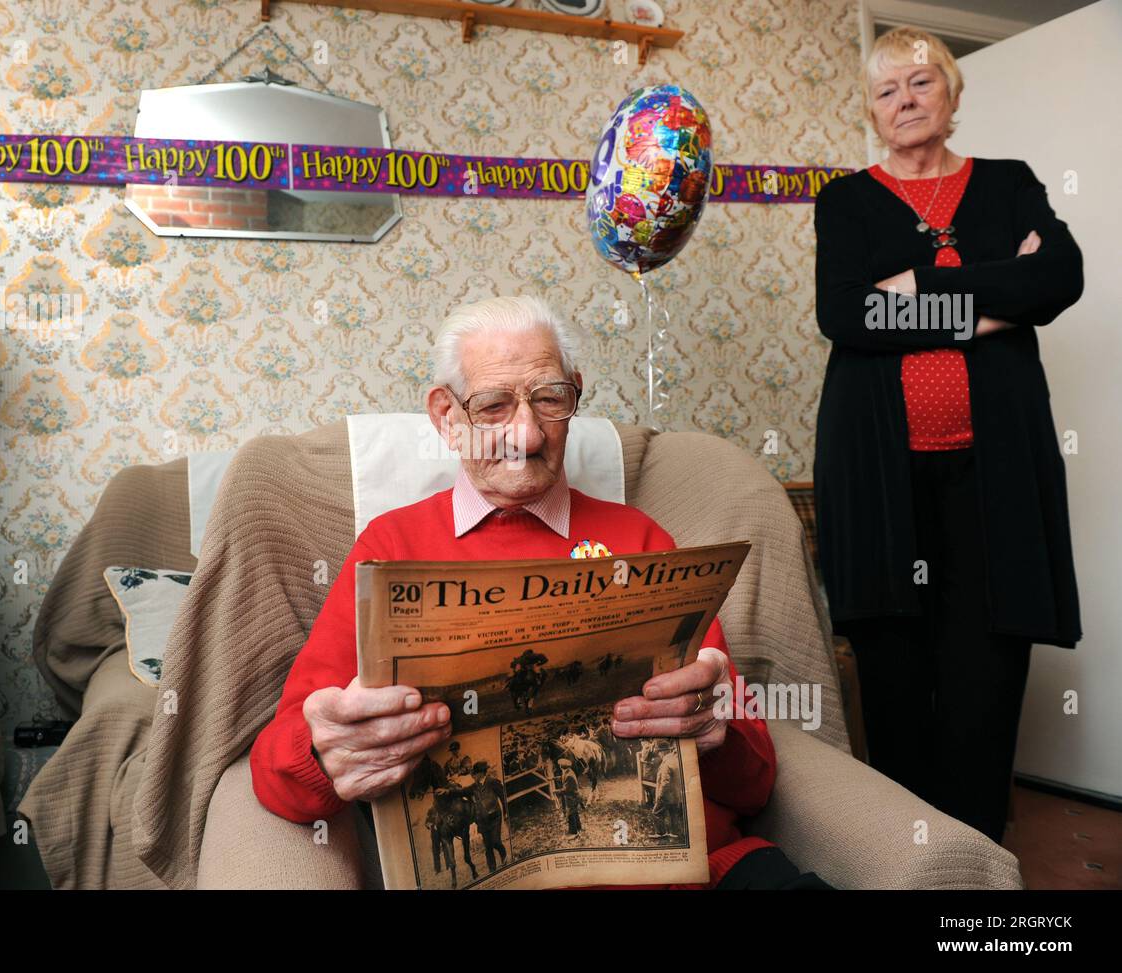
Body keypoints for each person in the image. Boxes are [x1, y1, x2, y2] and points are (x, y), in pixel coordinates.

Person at [251, 295, 825, 888]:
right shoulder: (391, 546)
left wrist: (715, 727)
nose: (525, 435)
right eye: (494, 405)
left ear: (574, 397)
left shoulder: (640, 538)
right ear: (447, 416)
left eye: (549, 399)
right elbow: (277, 779)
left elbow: (754, 784)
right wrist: (325, 755)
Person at [813, 26, 1083, 844]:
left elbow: (1060, 276)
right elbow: (847, 314)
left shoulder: (1007, 186)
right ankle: (909, 857)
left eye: (921, 84)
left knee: (987, 664)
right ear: (870, 109)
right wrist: (994, 307)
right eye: (887, 90)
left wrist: (925, 286)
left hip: (991, 474)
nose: (905, 101)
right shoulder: (847, 202)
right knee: (894, 665)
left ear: (952, 97)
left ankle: (976, 855)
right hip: (881, 477)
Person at [462, 761, 509, 871]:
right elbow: (461, 791)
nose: (473, 776)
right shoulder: (474, 787)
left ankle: (503, 854)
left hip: (495, 817)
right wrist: (448, 792)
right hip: (482, 820)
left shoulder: (492, 782)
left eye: (475, 773)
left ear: (482, 773)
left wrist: (506, 812)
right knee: (488, 846)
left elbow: (503, 797)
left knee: (495, 841)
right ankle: (492, 869)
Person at [557, 759, 583, 838]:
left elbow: (566, 789)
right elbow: (562, 777)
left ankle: (573, 833)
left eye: (560, 765)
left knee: (570, 814)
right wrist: (554, 778)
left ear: (562, 766)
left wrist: (557, 791)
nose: (559, 766)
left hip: (572, 797)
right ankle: (578, 827)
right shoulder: (569, 771)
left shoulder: (568, 775)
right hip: (574, 796)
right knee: (575, 812)